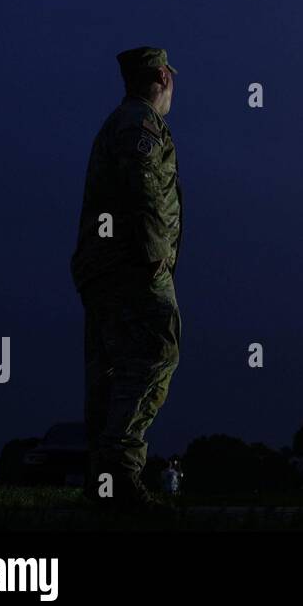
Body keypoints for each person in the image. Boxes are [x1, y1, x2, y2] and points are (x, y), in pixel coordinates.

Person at [70, 47, 182, 509]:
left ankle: (103, 484)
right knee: (157, 352)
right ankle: (118, 472)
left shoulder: (119, 122)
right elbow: (142, 188)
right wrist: (156, 256)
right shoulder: (139, 125)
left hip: (104, 266)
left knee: (110, 370)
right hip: (133, 265)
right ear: (161, 75)